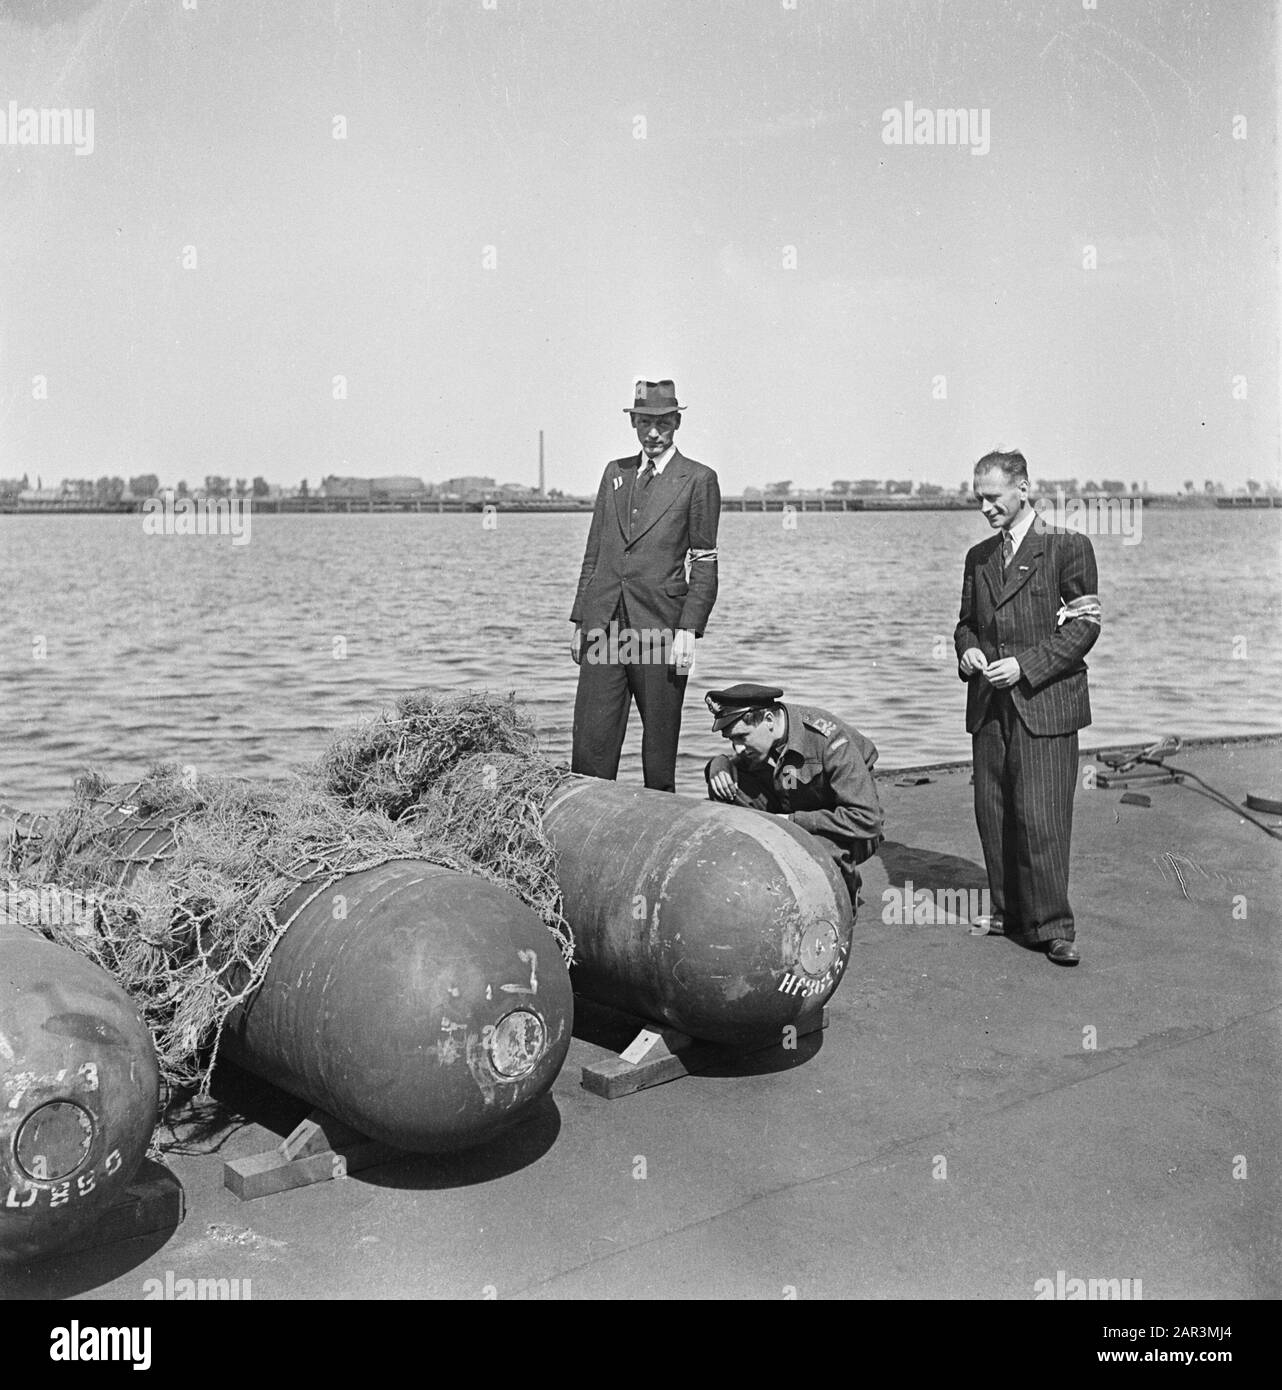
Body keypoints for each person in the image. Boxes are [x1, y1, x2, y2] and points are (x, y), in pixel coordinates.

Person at [954, 450, 1101, 965]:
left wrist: (1025, 666)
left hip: (1045, 702)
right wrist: (967, 650)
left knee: (1042, 817)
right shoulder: (978, 558)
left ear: (1023, 489)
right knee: (992, 811)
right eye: (979, 500)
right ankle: (1006, 910)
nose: (986, 508)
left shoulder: (1068, 547)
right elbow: (966, 624)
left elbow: (1085, 627)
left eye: (993, 498)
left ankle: (1053, 925)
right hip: (990, 706)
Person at [569, 379, 720, 792]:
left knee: (658, 751)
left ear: (676, 423)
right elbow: (595, 550)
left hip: (661, 628)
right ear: (633, 423)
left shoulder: (698, 479)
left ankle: (659, 832)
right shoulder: (615, 474)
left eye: (663, 424)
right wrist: (581, 618)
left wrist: (689, 629)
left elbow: (704, 560)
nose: (653, 433)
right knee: (590, 747)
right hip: (606, 625)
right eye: (644, 423)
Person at [703, 682, 883, 904]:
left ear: (768, 720)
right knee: (724, 784)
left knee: (815, 850)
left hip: (845, 831)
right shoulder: (767, 738)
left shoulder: (829, 740)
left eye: (742, 737)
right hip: (791, 808)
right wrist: (719, 764)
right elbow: (740, 763)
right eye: (732, 741)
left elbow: (867, 820)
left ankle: (842, 895)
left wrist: (791, 821)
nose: (737, 748)